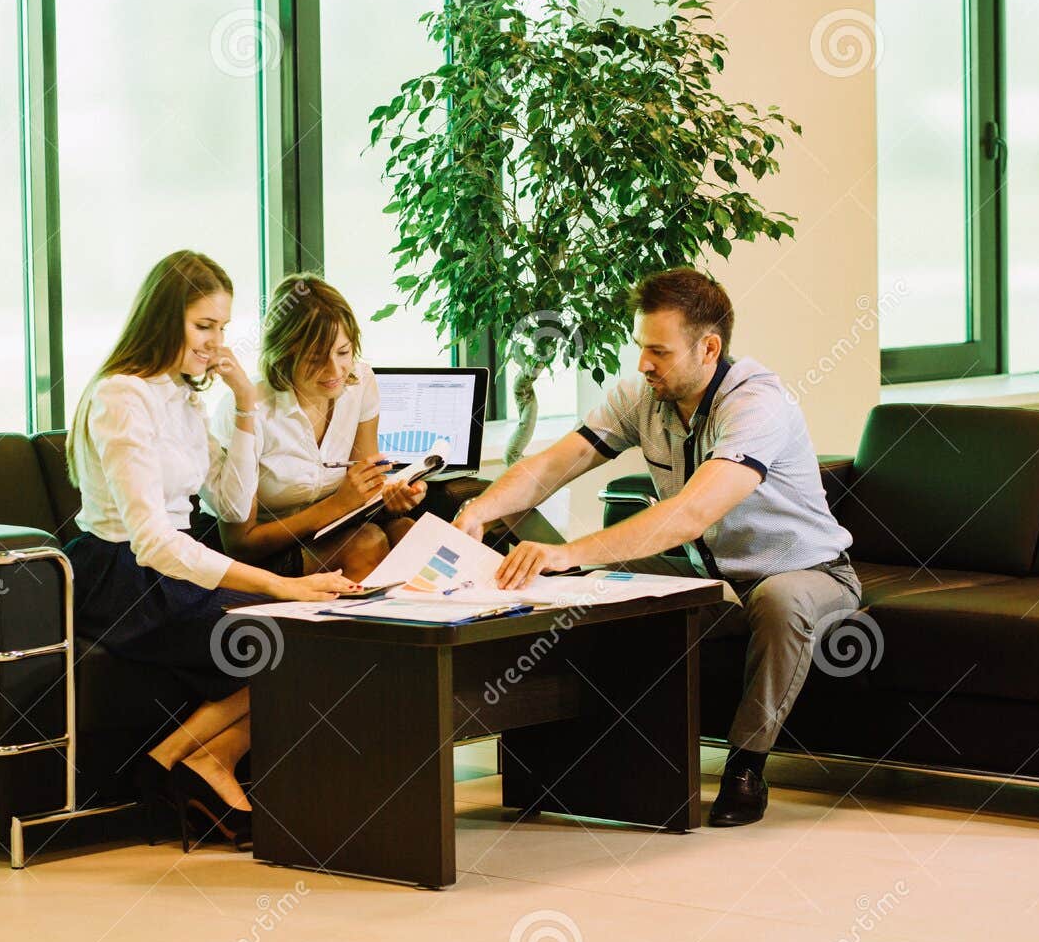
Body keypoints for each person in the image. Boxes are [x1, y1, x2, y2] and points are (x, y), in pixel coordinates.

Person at [453, 268, 860, 827]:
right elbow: (554, 465)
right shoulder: (640, 396)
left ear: (708, 348)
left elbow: (690, 514)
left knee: (780, 602)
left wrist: (569, 550)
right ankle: (571, 758)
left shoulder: (757, 406)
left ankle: (746, 768)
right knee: (567, 582)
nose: (644, 363)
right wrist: (480, 510)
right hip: (708, 573)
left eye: (658, 351)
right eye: (641, 347)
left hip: (808, 572)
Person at [64, 251, 358, 851]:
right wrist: (278, 585)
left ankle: (182, 761)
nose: (215, 342)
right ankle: (192, 767)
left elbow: (229, 503)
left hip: (171, 566)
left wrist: (245, 403)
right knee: (283, 635)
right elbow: (151, 540)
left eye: (222, 328)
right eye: (204, 326)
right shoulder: (121, 397)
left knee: (311, 634)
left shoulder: (182, 394)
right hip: (125, 575)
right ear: (162, 319)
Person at [213, 274, 425, 581]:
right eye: (315, 358)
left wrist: (393, 494)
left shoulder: (360, 381)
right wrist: (337, 505)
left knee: (410, 534)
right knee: (366, 544)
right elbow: (239, 544)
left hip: (332, 526)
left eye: (343, 352)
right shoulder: (251, 409)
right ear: (284, 354)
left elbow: (369, 482)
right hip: (261, 550)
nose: (335, 370)